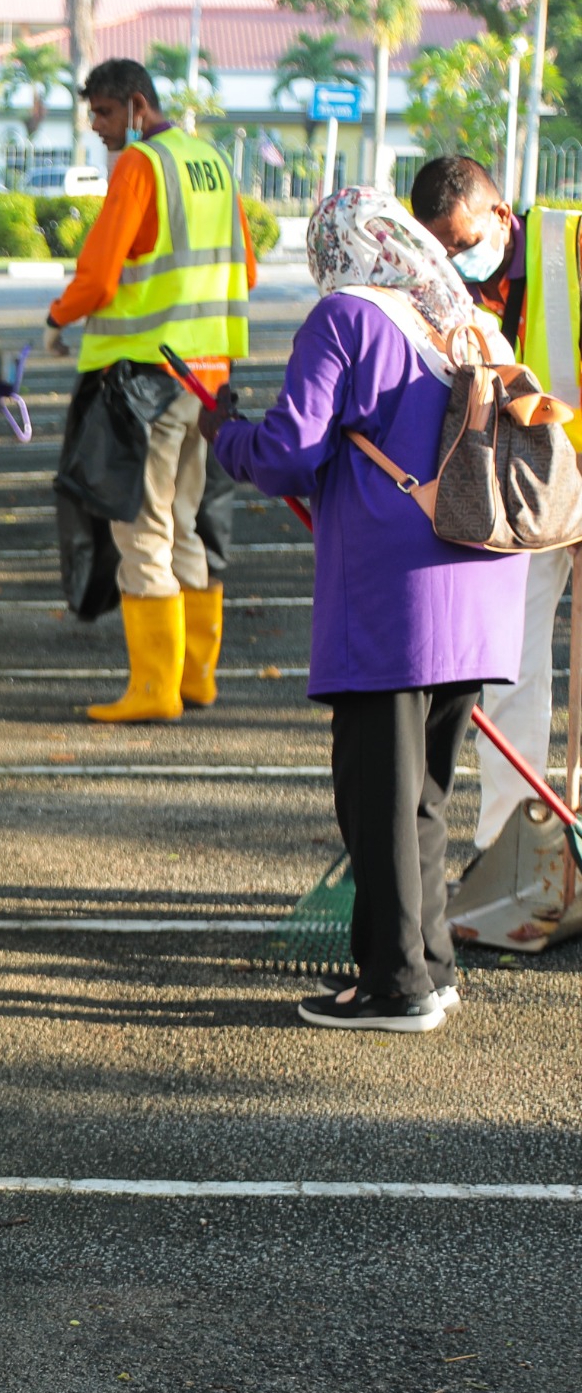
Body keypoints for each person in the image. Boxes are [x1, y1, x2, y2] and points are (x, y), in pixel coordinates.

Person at [209, 189, 525, 1033]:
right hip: (482, 585)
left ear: (333, 251)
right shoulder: (464, 316)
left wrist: (224, 435)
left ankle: (395, 986)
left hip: (396, 597)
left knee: (375, 797)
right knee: (421, 793)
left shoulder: (346, 317)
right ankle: (428, 963)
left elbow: (289, 451)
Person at [45, 58, 256, 723]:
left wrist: (58, 317)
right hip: (209, 377)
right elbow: (244, 266)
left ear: (137, 106)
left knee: (142, 528)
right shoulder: (211, 161)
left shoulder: (140, 167)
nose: (101, 130)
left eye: (106, 115)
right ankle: (197, 679)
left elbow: (100, 276)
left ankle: (153, 690)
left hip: (147, 377)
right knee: (188, 521)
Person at [409, 155, 582, 857]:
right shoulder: (440, 283)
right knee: (510, 671)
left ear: (502, 217)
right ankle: (512, 852)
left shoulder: (569, 243)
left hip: (566, 477)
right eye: (443, 249)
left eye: (464, 240)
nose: (457, 259)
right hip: (528, 500)